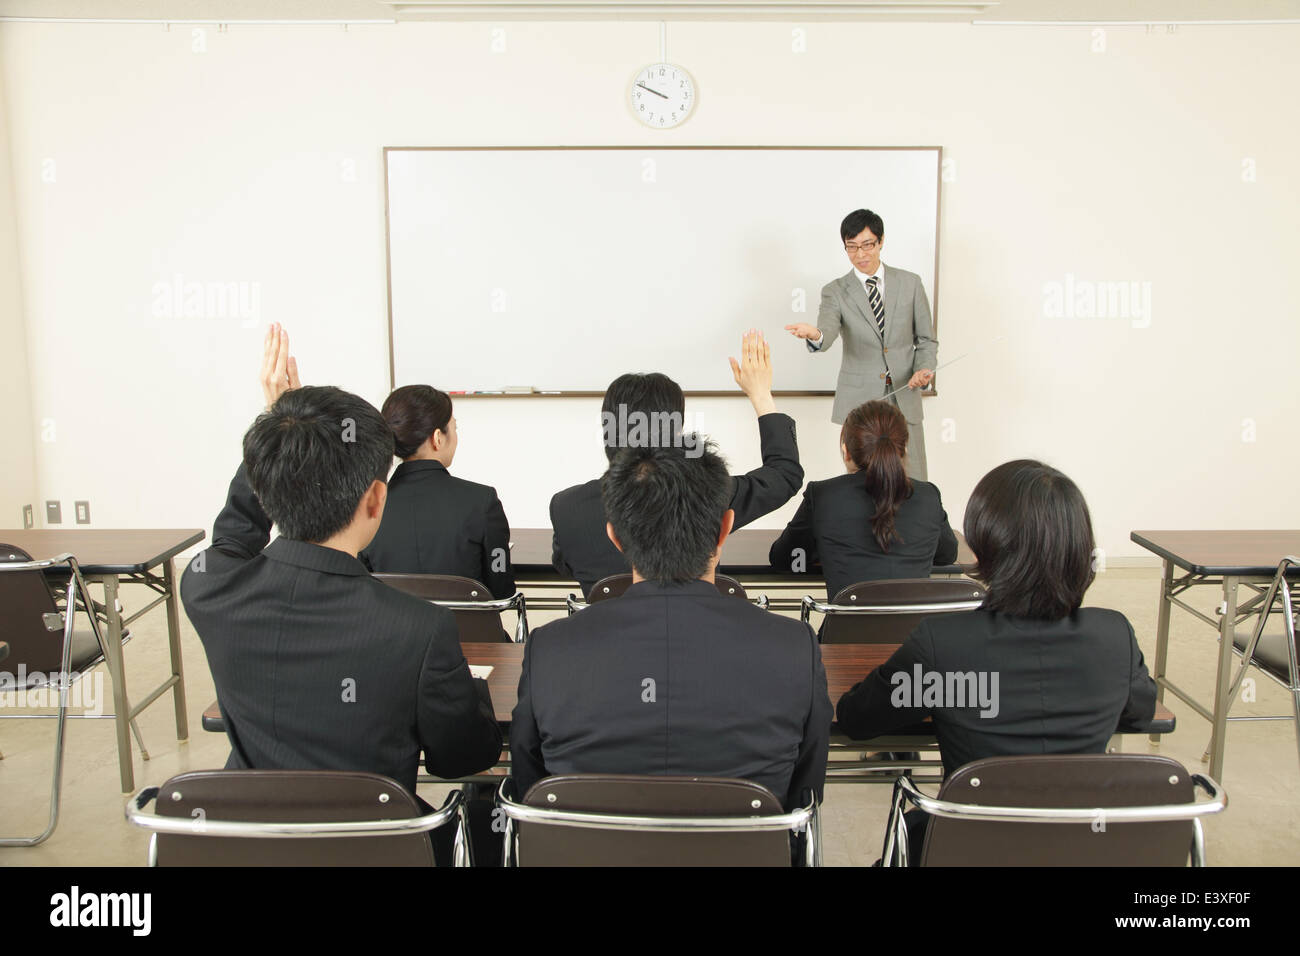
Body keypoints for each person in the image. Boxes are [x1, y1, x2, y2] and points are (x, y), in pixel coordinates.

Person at [181, 324, 502, 859]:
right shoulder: (420, 631)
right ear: (377, 499)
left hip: (248, 847)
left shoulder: (212, 590)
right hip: (378, 848)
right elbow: (462, 758)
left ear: (263, 488)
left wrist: (277, 424)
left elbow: (234, 536)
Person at [835, 459, 1158, 861]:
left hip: (965, 850)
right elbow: (1142, 713)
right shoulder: (1115, 637)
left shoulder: (944, 643)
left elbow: (856, 719)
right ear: (1080, 547)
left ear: (985, 543)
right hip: (1082, 852)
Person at [513, 438, 832, 813]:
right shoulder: (795, 647)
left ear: (615, 536)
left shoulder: (548, 650)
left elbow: (529, 793)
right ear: (725, 528)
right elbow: (805, 798)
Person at [550, 329, 803, 597]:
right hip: (701, 636)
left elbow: (565, 565)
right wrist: (761, 395)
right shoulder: (708, 491)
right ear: (676, 431)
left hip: (606, 638)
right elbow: (783, 474)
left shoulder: (567, 507)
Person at [785, 208, 937, 479]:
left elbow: (926, 340)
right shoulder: (835, 291)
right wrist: (815, 335)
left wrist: (923, 370)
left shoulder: (910, 283)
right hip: (860, 400)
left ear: (880, 242)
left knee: (914, 477)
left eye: (867, 245)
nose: (860, 254)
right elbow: (827, 333)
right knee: (863, 478)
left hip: (904, 393)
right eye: (852, 247)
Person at [769, 399, 957, 599]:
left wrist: (826, 548)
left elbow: (784, 557)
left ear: (846, 451)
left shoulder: (823, 495)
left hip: (844, 631)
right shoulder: (928, 495)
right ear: (903, 450)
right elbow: (947, 555)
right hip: (917, 630)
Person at [362, 385, 514, 599]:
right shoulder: (481, 501)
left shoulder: (369, 506)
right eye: (454, 427)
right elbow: (502, 589)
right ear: (437, 438)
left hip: (390, 632)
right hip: (467, 633)